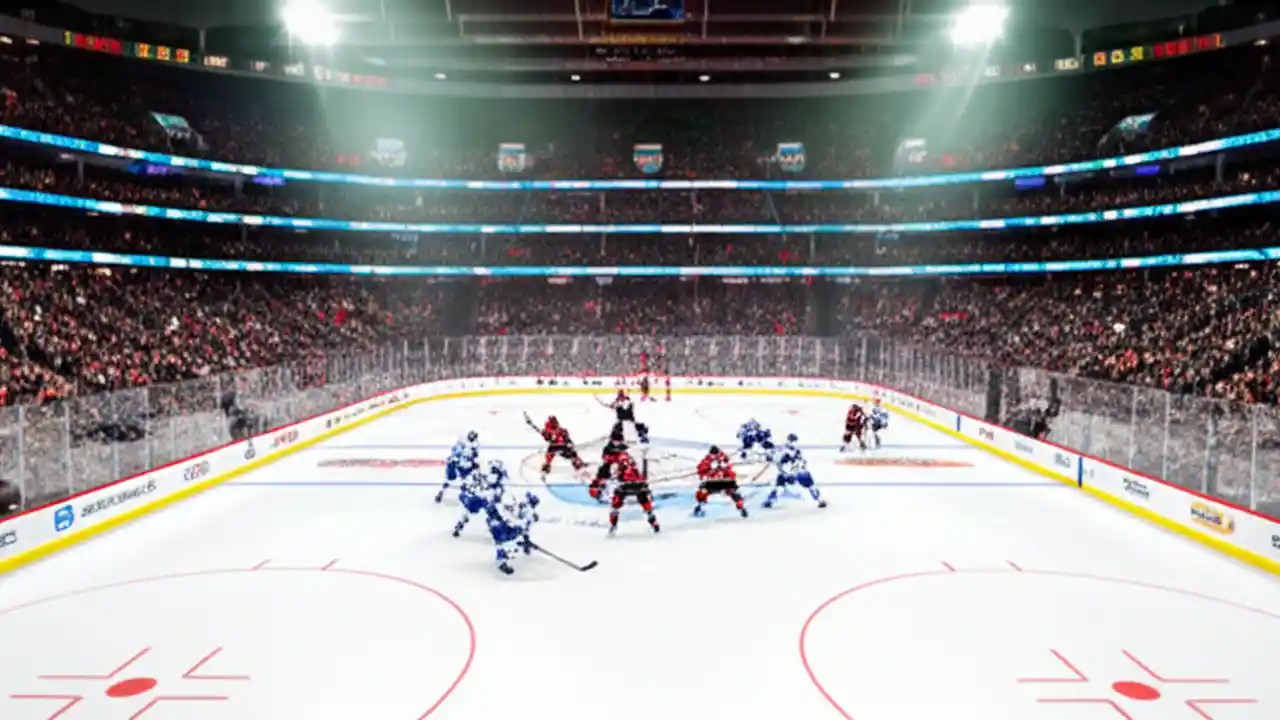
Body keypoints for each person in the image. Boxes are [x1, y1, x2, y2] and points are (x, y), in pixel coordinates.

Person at [765, 434, 826, 509]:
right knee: (810, 485)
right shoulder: (795, 448)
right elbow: (803, 461)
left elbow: (774, 458)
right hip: (798, 471)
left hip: (789, 472)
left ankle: (770, 501)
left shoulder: (782, 449)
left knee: (779, 486)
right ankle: (820, 500)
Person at [608, 453, 660, 535]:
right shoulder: (629, 465)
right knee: (645, 504)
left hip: (632, 486)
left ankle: (613, 525)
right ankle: (654, 524)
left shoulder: (627, 466)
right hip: (631, 486)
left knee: (617, 504)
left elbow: (617, 476)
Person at [694, 445, 748, 518]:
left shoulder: (710, 460)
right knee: (734, 493)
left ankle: (699, 507)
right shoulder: (722, 459)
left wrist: (708, 474)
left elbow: (701, 472)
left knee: (702, 491)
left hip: (715, 482)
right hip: (722, 482)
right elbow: (731, 472)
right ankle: (741, 508)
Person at [437, 431, 479, 503]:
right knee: (450, 480)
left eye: (473, 437)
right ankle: (441, 492)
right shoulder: (461, 443)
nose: (472, 438)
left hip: (466, 465)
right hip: (457, 464)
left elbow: (474, 456)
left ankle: (469, 496)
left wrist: (473, 462)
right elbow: (456, 454)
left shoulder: (475, 445)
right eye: (471, 436)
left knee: (469, 480)